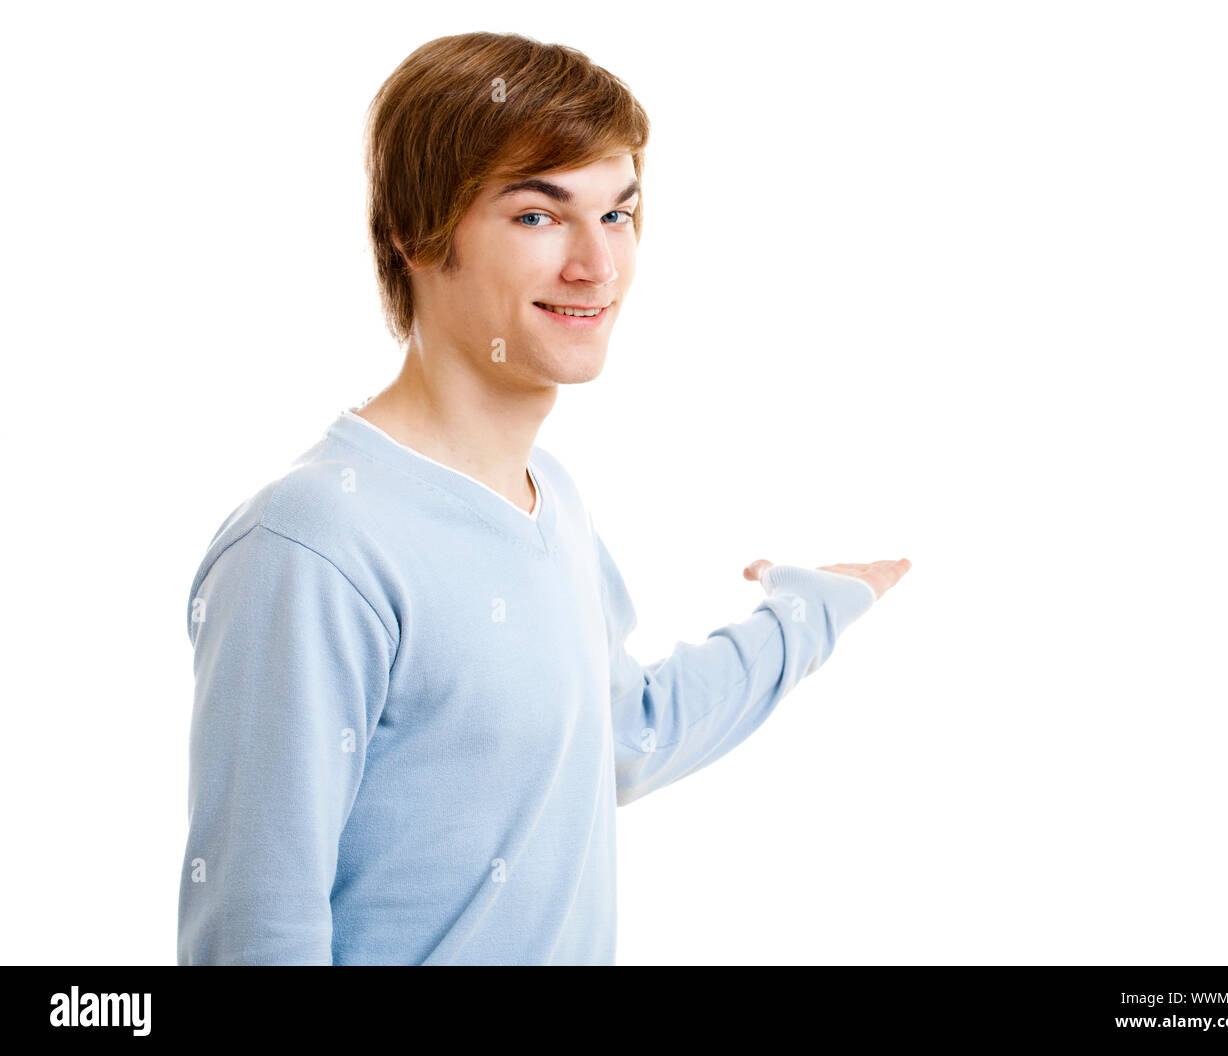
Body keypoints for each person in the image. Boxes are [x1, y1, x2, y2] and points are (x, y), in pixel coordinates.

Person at [178, 30, 911, 966]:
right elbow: (256, 933)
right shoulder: (312, 544)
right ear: (412, 228)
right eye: (538, 215)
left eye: (619, 213)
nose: (597, 266)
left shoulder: (549, 498)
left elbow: (619, 735)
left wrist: (806, 615)